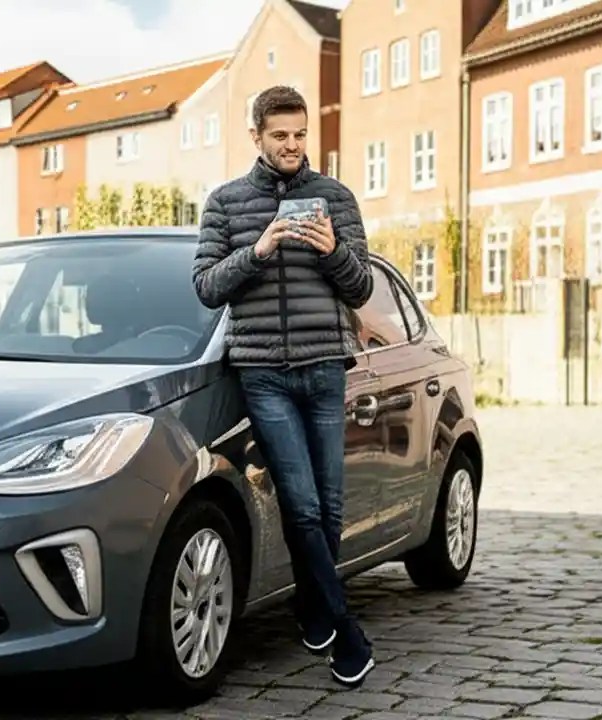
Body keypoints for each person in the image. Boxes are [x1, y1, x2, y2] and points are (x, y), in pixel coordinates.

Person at [190, 85, 376, 688]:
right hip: (263, 373)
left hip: (325, 367)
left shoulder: (335, 197)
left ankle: (310, 605)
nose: (293, 145)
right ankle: (344, 628)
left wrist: (333, 252)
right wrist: (260, 248)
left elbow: (361, 288)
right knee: (300, 502)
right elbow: (207, 286)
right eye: (280, 136)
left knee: (328, 508)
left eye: (300, 135)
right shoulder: (225, 203)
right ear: (257, 137)